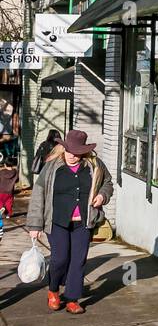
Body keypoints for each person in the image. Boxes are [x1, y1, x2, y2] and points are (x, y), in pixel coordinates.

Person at [26, 128, 114, 314]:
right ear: (63, 148)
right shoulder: (51, 167)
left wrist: (102, 196)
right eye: (69, 151)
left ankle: (73, 298)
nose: (72, 156)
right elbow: (38, 195)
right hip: (56, 220)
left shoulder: (94, 165)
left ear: (84, 152)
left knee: (78, 261)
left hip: (83, 222)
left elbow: (108, 182)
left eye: (76, 153)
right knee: (60, 259)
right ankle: (53, 290)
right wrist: (34, 225)